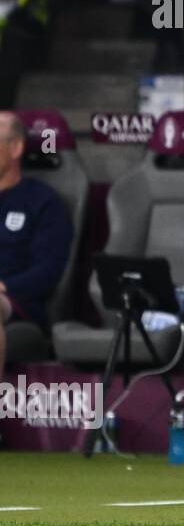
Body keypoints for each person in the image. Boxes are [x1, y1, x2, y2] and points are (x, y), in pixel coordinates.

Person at [0, 111, 74, 382]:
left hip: (18, 304)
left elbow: (49, 270)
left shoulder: (42, 201)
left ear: (16, 147)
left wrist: (4, 286)